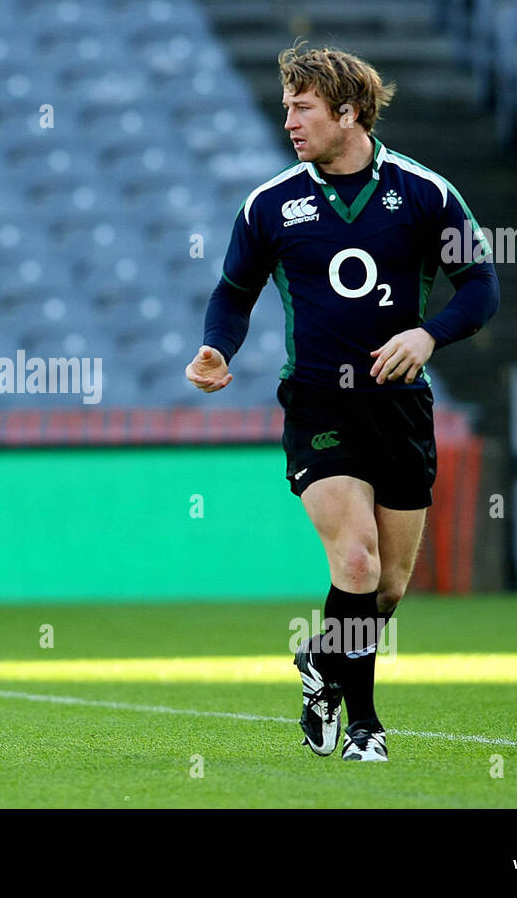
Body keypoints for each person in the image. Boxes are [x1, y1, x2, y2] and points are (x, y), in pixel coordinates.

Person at [186, 43, 499, 761]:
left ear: (349, 112)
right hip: (319, 405)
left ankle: (322, 662)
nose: (289, 121)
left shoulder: (426, 193)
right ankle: (364, 726)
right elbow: (234, 294)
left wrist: (428, 335)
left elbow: (481, 286)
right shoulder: (271, 204)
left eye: (303, 107)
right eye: (287, 106)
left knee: (384, 594)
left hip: (400, 409)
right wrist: (216, 348)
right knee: (354, 565)